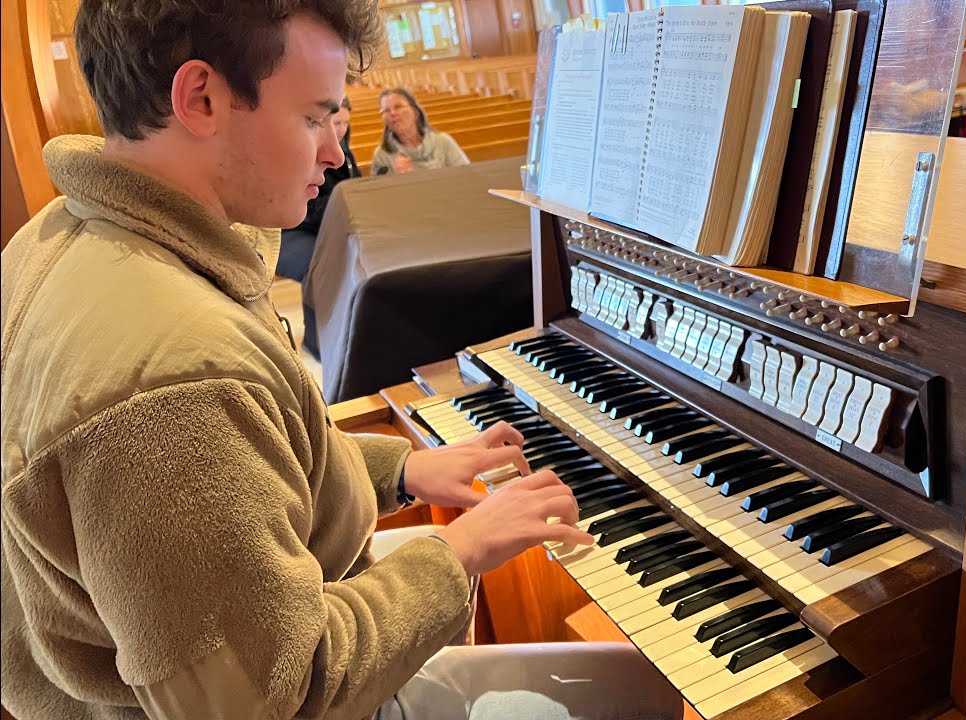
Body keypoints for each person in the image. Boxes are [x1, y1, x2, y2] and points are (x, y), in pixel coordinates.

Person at [0, 2, 683, 720]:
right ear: (200, 97)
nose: (333, 152)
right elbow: (264, 701)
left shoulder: (58, 231)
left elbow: (247, 463)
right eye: (313, 117)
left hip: (217, 639)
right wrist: (458, 555)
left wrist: (400, 469)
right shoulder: (174, 383)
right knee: (644, 698)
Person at [278, 94, 359, 284]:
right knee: (322, 267)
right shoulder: (305, 152)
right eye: (336, 123)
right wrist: (342, 201)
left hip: (328, 226)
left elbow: (354, 185)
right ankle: (323, 314)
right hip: (295, 228)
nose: (340, 130)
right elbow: (306, 207)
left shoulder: (344, 152)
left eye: (345, 123)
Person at [372, 87, 470, 175]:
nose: (392, 113)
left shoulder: (443, 141)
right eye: (386, 110)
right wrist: (398, 180)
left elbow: (468, 177)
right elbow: (381, 193)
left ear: (415, 111)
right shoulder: (382, 155)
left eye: (398, 106)